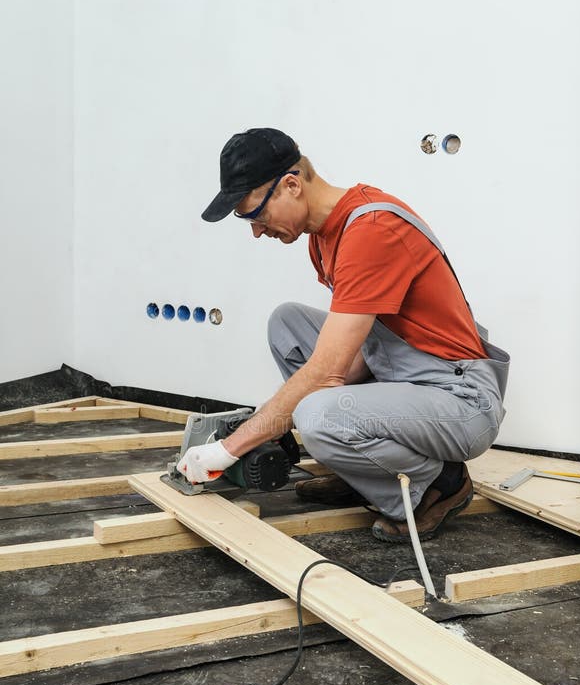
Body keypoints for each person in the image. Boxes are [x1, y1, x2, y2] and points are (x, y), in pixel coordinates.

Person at [177, 127, 510, 542]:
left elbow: (327, 373)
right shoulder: (322, 239)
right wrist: (270, 419)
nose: (256, 231)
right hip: (406, 377)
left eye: (255, 215)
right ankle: (363, 471)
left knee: (317, 414)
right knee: (288, 324)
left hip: (461, 401)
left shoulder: (370, 229)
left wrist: (230, 448)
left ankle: (438, 484)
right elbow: (354, 359)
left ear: (291, 185)